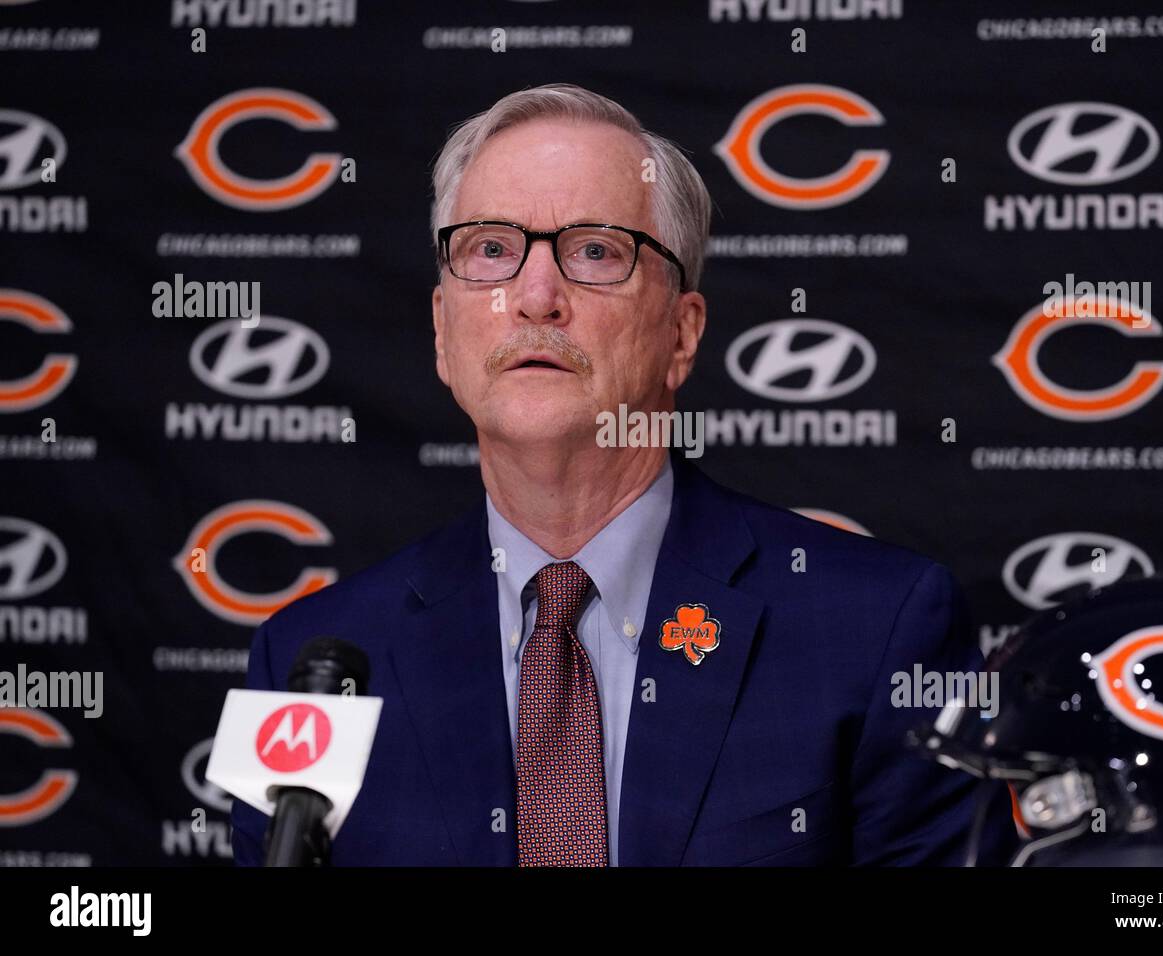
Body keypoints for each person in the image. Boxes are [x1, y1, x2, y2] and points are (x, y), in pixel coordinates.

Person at [230, 82, 1012, 866]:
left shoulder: (876, 629)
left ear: (682, 330)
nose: (535, 297)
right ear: (442, 330)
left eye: (596, 250)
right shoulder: (305, 668)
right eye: (491, 249)